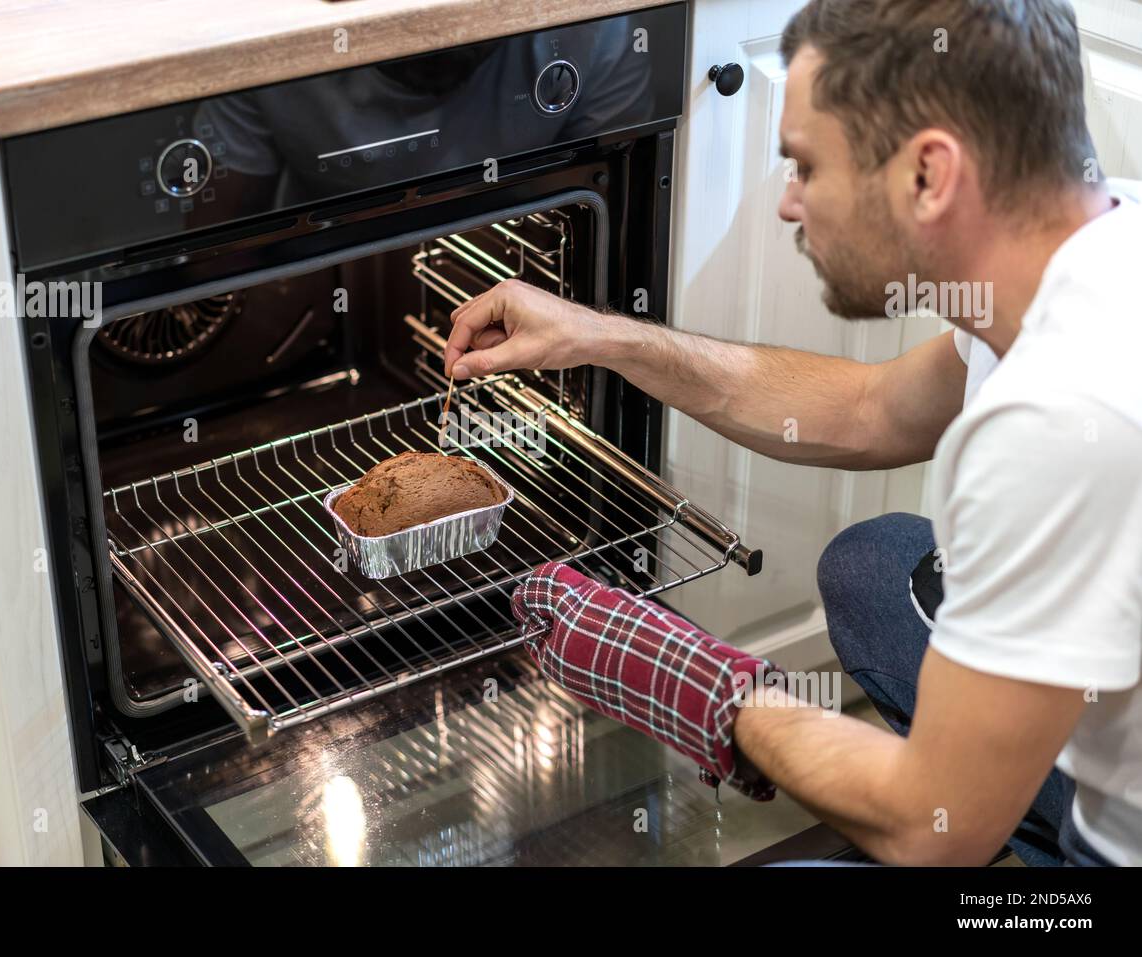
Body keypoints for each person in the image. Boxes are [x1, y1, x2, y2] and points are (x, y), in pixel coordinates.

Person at [445, 0, 1142, 866]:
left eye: (807, 166)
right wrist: (599, 335)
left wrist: (702, 684)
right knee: (876, 564)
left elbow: (933, 830)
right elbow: (869, 409)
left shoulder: (1054, 424)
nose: (786, 204)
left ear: (930, 175)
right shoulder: (1096, 247)